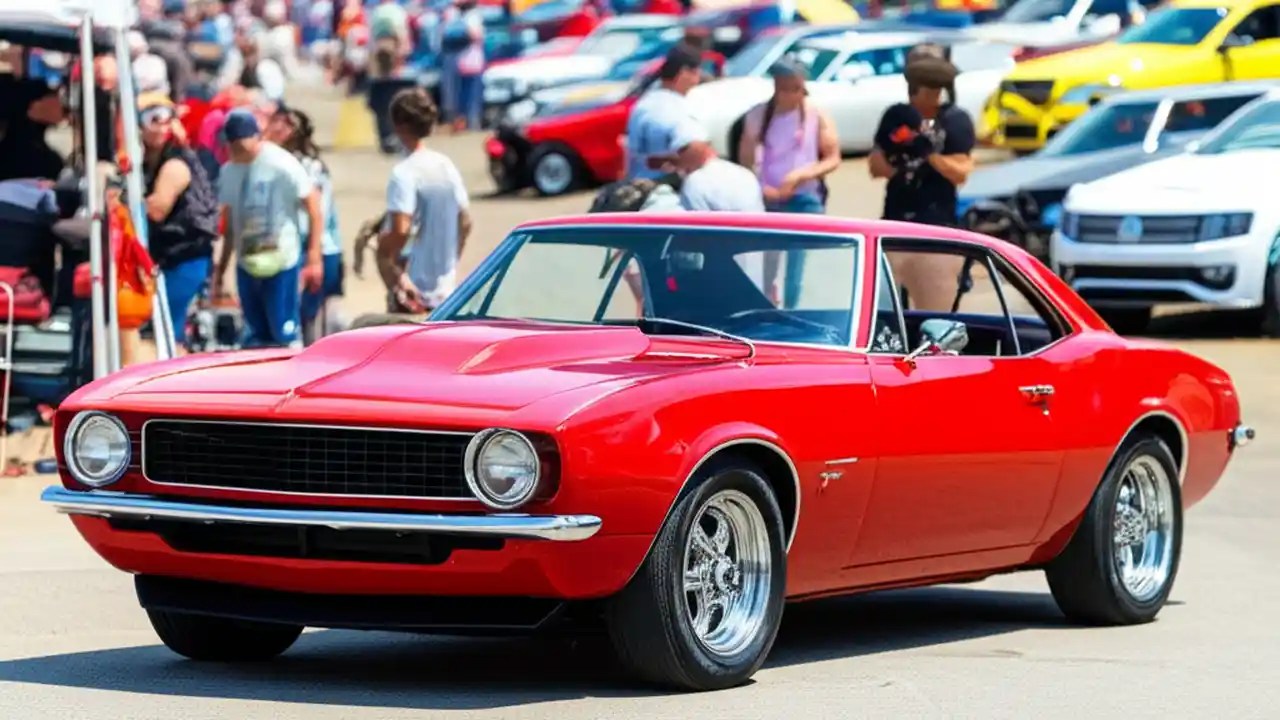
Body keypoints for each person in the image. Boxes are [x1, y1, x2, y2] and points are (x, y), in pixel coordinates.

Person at [869, 49, 976, 311]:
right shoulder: (897, 117)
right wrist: (901, 154)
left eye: (934, 91)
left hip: (936, 230)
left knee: (935, 317)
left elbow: (960, 172)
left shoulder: (954, 120)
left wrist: (930, 155)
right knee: (885, 318)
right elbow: (876, 166)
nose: (930, 98)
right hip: (895, 225)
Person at [213, 108, 324, 348]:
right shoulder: (229, 172)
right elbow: (230, 226)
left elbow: (314, 208)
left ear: (256, 137)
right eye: (232, 146)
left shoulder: (282, 164)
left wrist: (314, 255)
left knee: (283, 331)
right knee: (255, 333)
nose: (235, 152)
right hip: (248, 263)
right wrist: (221, 270)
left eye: (241, 146)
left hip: (282, 260)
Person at [737, 57, 840, 307]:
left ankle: (793, 310)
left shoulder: (816, 114)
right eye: (785, 88)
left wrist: (800, 176)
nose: (791, 94)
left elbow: (833, 158)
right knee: (766, 263)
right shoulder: (758, 115)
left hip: (804, 198)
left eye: (796, 88)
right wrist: (762, 188)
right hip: (770, 198)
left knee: (797, 266)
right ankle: (765, 310)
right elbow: (745, 163)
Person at [376, 88, 471, 315]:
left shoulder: (404, 172)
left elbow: (401, 229)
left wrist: (383, 247)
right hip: (446, 291)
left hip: (414, 291)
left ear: (398, 125)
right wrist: (451, 257)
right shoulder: (445, 165)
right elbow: (466, 221)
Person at [137, 93, 220, 353]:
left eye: (166, 118)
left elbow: (157, 209)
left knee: (168, 332)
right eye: (153, 119)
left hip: (184, 259)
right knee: (165, 328)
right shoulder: (151, 161)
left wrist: (123, 200)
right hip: (172, 258)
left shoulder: (175, 163)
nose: (161, 125)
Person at [267, 106, 347, 344]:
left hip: (317, 250)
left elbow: (315, 213)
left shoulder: (308, 167)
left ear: (289, 130)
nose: (268, 129)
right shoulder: (287, 163)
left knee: (308, 322)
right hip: (309, 249)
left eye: (275, 123)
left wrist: (313, 257)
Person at [622, 43, 704, 181]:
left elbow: (629, 154)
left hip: (639, 185)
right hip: (667, 190)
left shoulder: (644, 104)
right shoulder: (674, 109)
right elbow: (695, 152)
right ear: (684, 73)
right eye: (697, 71)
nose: (699, 77)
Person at [438, 0, 485, 132]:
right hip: (471, 62)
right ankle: (469, 124)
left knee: (461, 96)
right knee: (469, 97)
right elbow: (476, 35)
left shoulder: (457, 17)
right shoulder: (471, 17)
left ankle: (464, 123)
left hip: (460, 62)